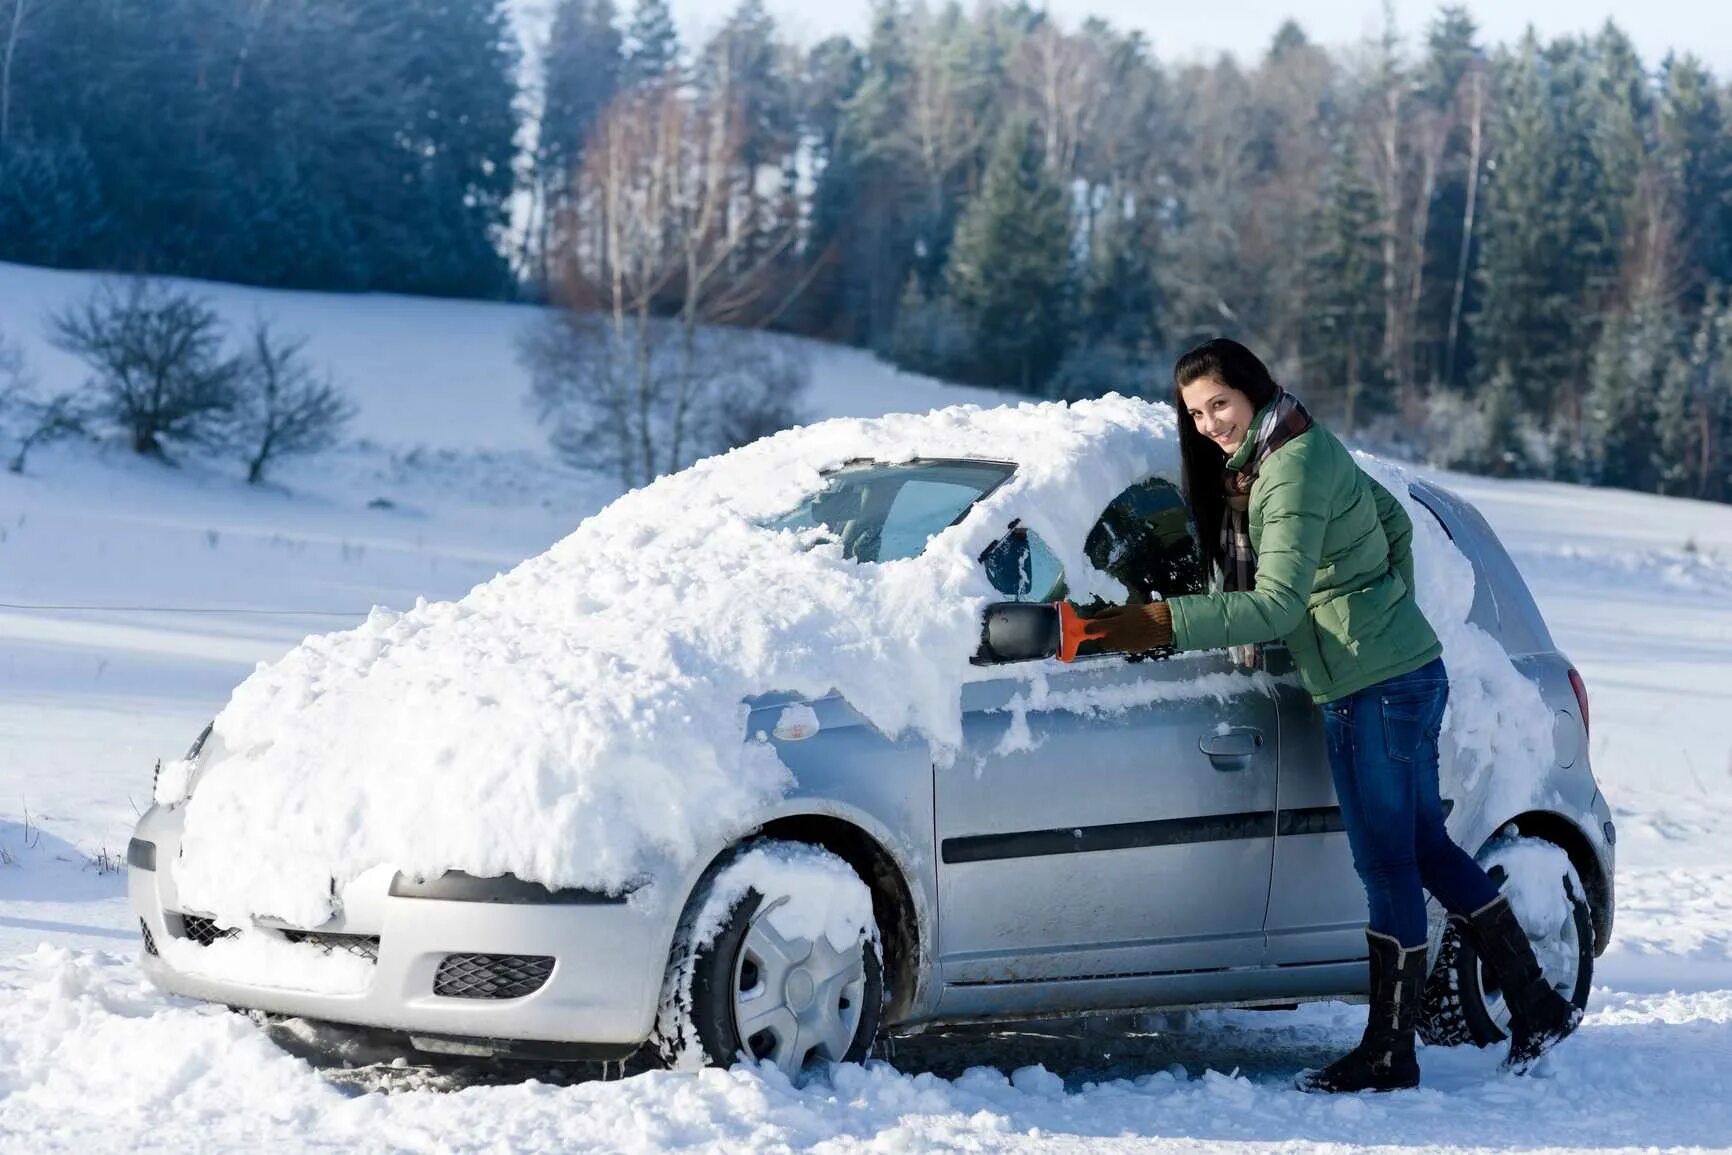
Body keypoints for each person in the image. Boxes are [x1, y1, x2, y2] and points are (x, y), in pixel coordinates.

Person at [1061, 337, 1581, 1093]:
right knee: (1426, 849)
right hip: (1390, 674)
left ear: (1251, 390)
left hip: (1376, 687)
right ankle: (1536, 1005)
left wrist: (1151, 621)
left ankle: (1390, 1051)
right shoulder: (1301, 441)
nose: (1209, 424)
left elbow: (1273, 605)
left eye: (1219, 405)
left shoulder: (1289, 473)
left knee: (1388, 861)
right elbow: (1393, 529)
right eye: (1197, 414)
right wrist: (1377, 610)